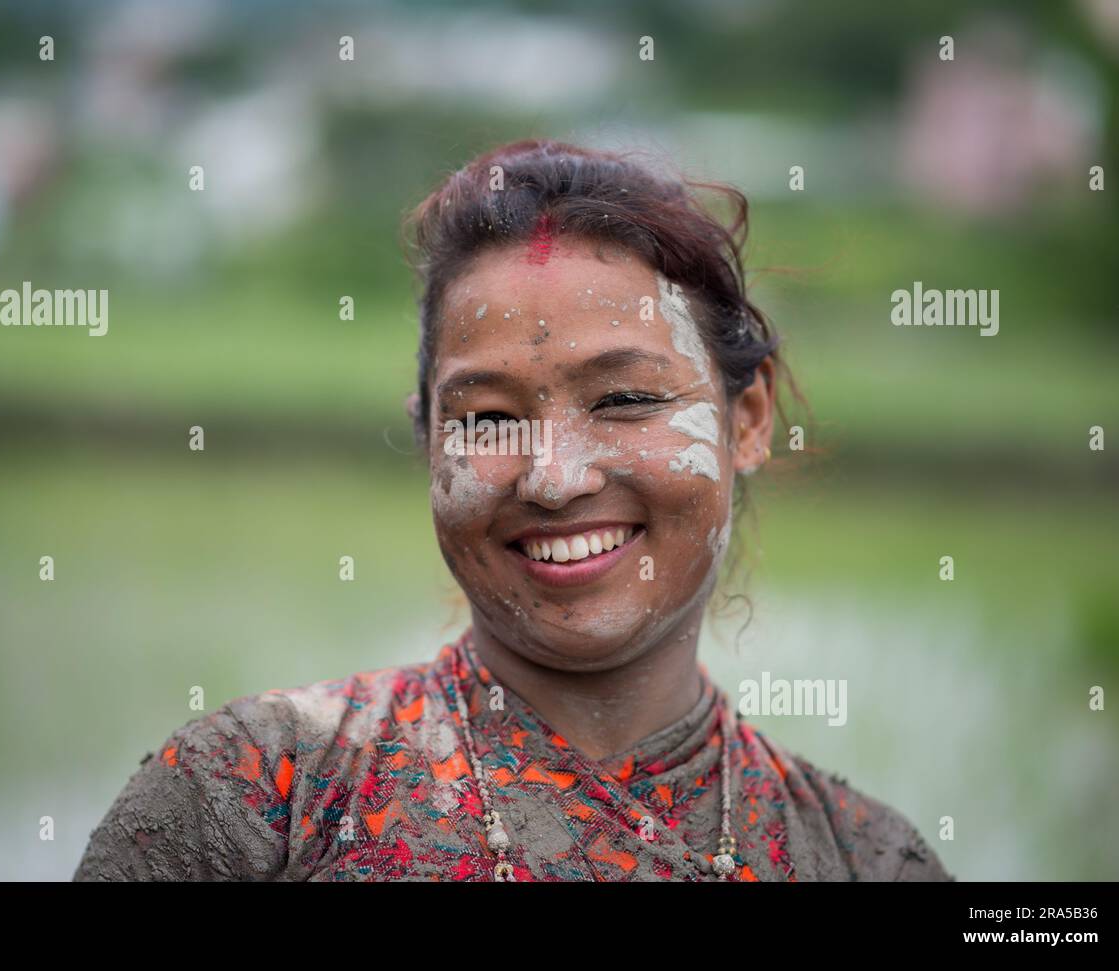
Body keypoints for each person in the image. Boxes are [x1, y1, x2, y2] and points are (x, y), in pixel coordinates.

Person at [75, 139, 952, 882]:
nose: (556, 478)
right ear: (429, 437)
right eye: (489, 416)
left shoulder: (865, 859)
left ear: (748, 418)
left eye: (625, 399)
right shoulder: (252, 798)